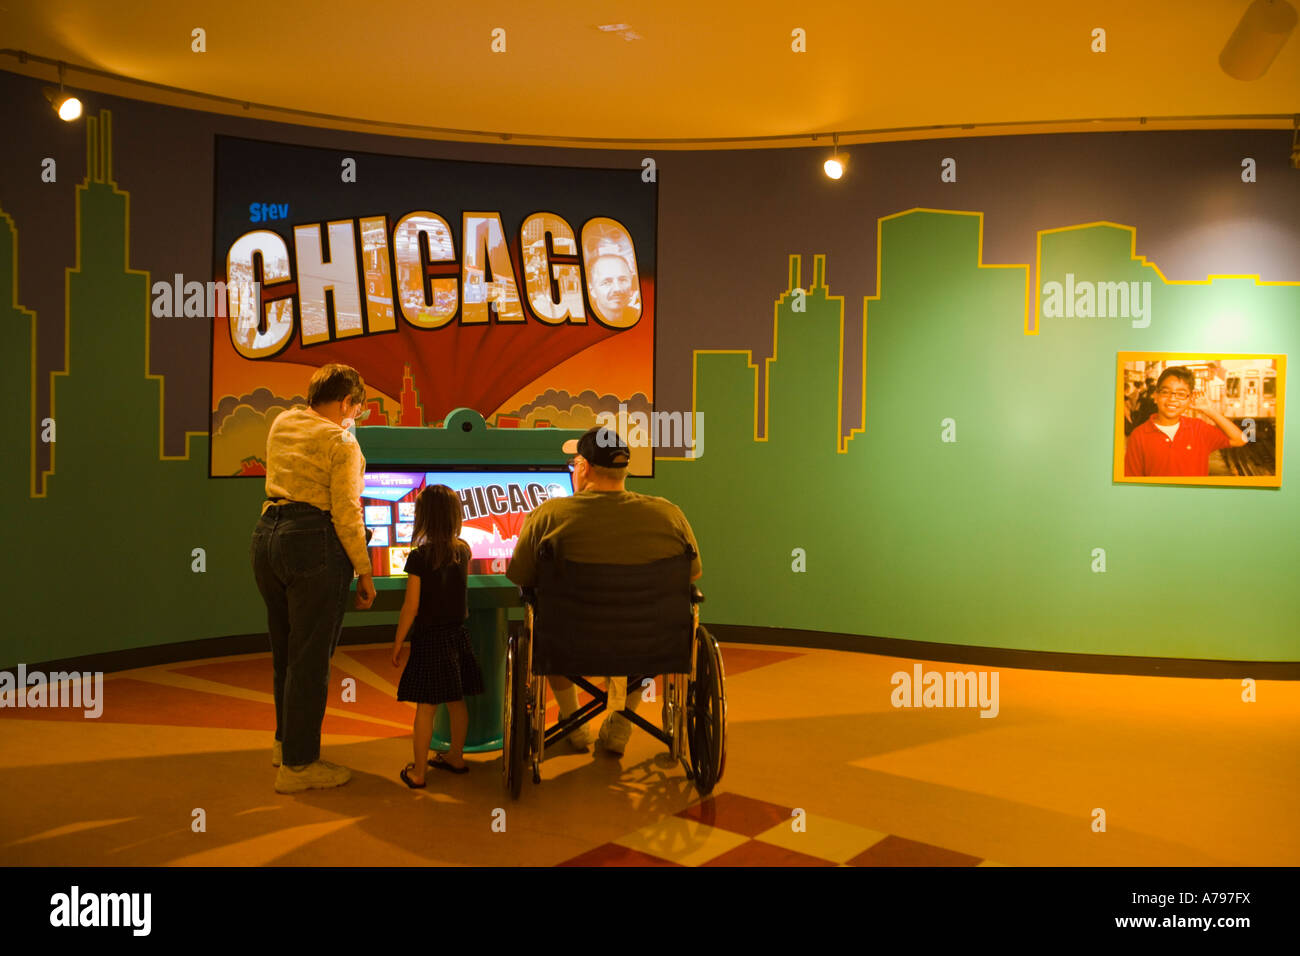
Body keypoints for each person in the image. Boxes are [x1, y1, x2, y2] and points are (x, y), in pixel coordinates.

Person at [506, 426, 702, 756]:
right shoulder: (669, 515)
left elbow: (520, 575)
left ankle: (573, 721)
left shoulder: (549, 517)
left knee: (543, 620)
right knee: (646, 631)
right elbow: (693, 573)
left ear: (583, 466)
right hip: (651, 644)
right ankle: (622, 722)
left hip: (568, 644)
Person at [251, 364, 376, 793]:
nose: (354, 416)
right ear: (346, 403)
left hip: (267, 535)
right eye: (356, 409)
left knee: (285, 650)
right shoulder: (342, 442)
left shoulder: (283, 421)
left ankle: (285, 743)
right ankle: (300, 766)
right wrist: (364, 568)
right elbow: (346, 511)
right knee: (310, 659)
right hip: (312, 542)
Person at [391, 485, 484, 787]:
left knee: (426, 708)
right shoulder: (464, 549)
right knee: (457, 702)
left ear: (424, 518)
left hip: (429, 639)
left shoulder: (419, 557)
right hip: (458, 635)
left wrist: (398, 642)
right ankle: (456, 756)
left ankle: (418, 773)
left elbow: (411, 606)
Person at [1124, 366, 1246, 477]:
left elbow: (1240, 439)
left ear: (1189, 399)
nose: (1172, 399)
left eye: (1181, 394)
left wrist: (1209, 410)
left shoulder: (1198, 429)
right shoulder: (1139, 436)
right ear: (1155, 396)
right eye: (1165, 392)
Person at [586, 254, 639, 326]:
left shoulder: (637, 316)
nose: (617, 289)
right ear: (592, 289)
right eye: (606, 282)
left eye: (623, 280)